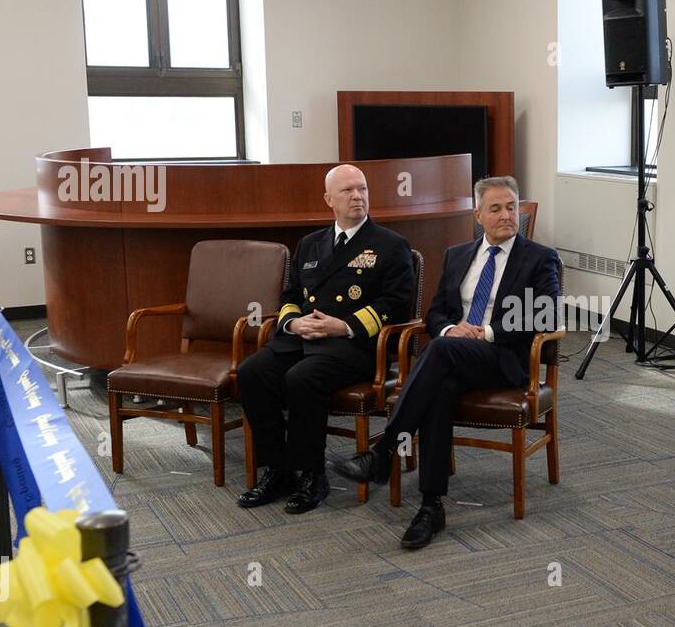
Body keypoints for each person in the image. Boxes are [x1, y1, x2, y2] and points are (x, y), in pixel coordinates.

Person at [333, 175, 562, 549]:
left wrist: (485, 332)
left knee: (439, 353)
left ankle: (385, 450)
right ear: (477, 214)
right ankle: (430, 505)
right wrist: (451, 328)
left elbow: (546, 314)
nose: (507, 216)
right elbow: (437, 313)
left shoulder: (539, 258)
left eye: (512, 207)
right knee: (439, 386)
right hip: (456, 359)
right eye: (496, 208)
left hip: (505, 360)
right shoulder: (458, 255)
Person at [236, 164, 413, 514]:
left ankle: (311, 474)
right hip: (303, 338)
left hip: (353, 345)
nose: (357, 196)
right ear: (328, 199)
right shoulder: (310, 244)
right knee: (251, 372)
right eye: (347, 191)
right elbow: (290, 294)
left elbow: (395, 305)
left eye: (362, 188)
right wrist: (293, 323)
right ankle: (278, 469)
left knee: (300, 379)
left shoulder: (390, 245)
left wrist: (342, 326)